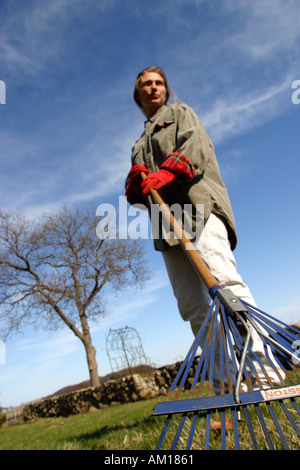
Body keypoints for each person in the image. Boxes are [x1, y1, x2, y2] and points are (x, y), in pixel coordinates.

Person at [125, 66, 284, 393]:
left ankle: (266, 375)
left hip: (199, 209)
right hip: (166, 230)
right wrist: (134, 188)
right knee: (193, 307)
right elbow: (143, 197)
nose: (154, 88)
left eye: (159, 83)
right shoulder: (138, 145)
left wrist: (168, 172)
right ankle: (227, 385)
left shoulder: (181, 113)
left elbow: (195, 148)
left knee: (226, 285)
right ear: (138, 95)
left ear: (166, 90)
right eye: (146, 85)